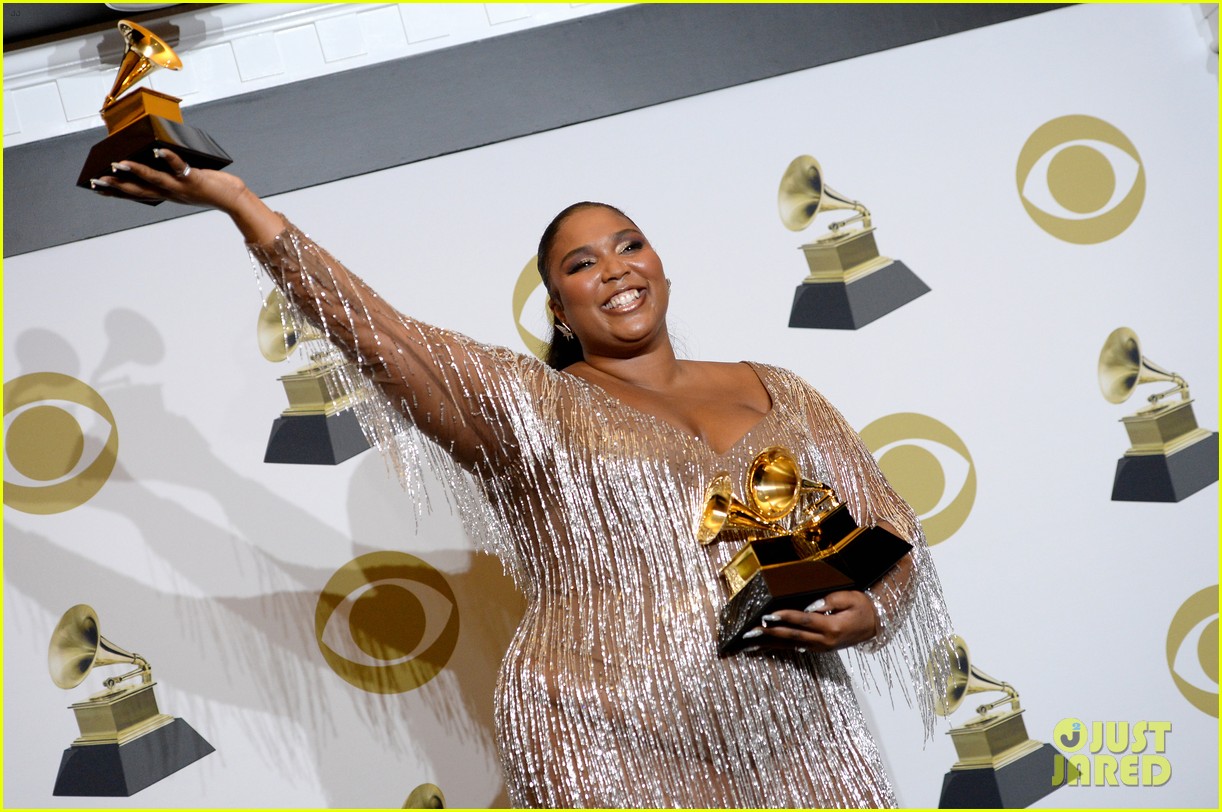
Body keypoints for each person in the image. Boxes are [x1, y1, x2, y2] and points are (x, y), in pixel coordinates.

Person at [92, 150, 953, 808]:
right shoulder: (529, 406)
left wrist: (874, 606)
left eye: (627, 245)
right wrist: (243, 207)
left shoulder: (778, 387)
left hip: (791, 723)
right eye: (582, 264)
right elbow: (385, 338)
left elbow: (886, 525)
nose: (613, 268)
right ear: (558, 308)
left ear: (659, 264)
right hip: (600, 732)